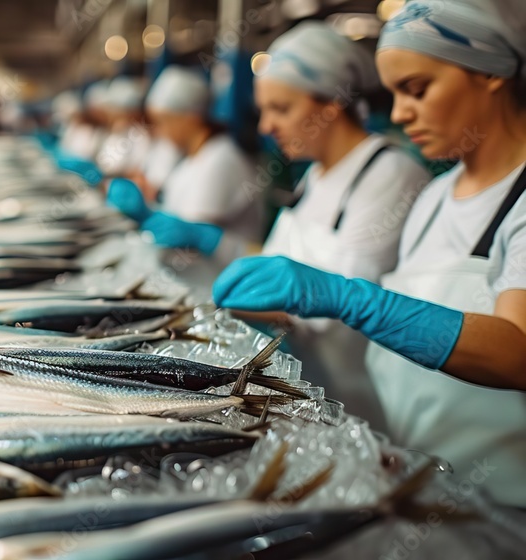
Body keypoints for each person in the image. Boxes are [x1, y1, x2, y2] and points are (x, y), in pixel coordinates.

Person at [213, 0, 526, 507]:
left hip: (508, 503)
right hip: (425, 482)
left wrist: (352, 299)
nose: (398, 114)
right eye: (395, 93)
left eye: (417, 89)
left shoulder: (506, 196)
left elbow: (518, 351)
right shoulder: (434, 198)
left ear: (492, 72)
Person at [251, 22, 431, 425]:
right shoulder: (314, 175)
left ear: (332, 104)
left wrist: (236, 303)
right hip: (300, 396)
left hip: (355, 408)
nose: (266, 126)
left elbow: (339, 311)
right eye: (263, 110)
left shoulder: (389, 174)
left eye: (281, 109)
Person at [106, 66, 261, 264]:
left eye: (163, 121)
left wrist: (150, 215)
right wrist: (146, 213)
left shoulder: (222, 160)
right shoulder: (191, 157)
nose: (160, 131)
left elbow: (192, 230)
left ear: (190, 118)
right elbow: (176, 216)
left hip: (217, 274)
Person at [94, 76, 151, 178]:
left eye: (114, 109)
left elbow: (134, 169)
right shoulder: (114, 131)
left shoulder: (139, 135)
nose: (110, 113)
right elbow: (103, 163)